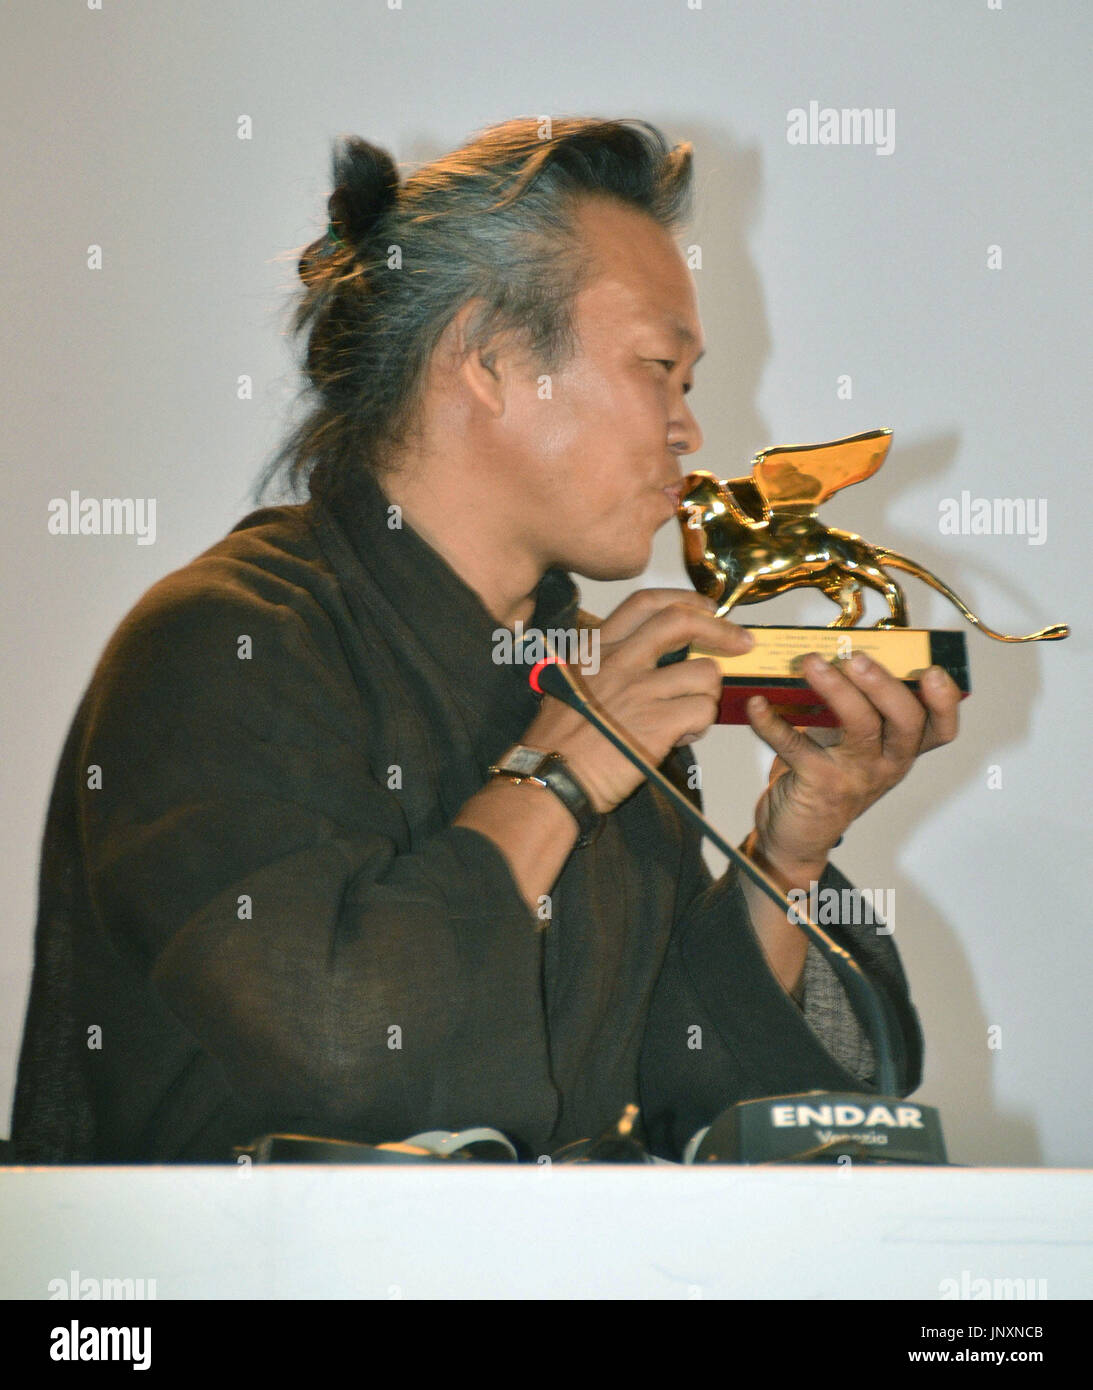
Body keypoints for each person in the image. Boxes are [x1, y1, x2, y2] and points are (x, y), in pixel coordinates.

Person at [10, 118, 961, 1164]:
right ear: (490, 359)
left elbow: (688, 1087)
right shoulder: (225, 641)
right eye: (660, 368)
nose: (688, 433)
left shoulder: (576, 671)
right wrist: (559, 775)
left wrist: (791, 846)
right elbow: (339, 1041)